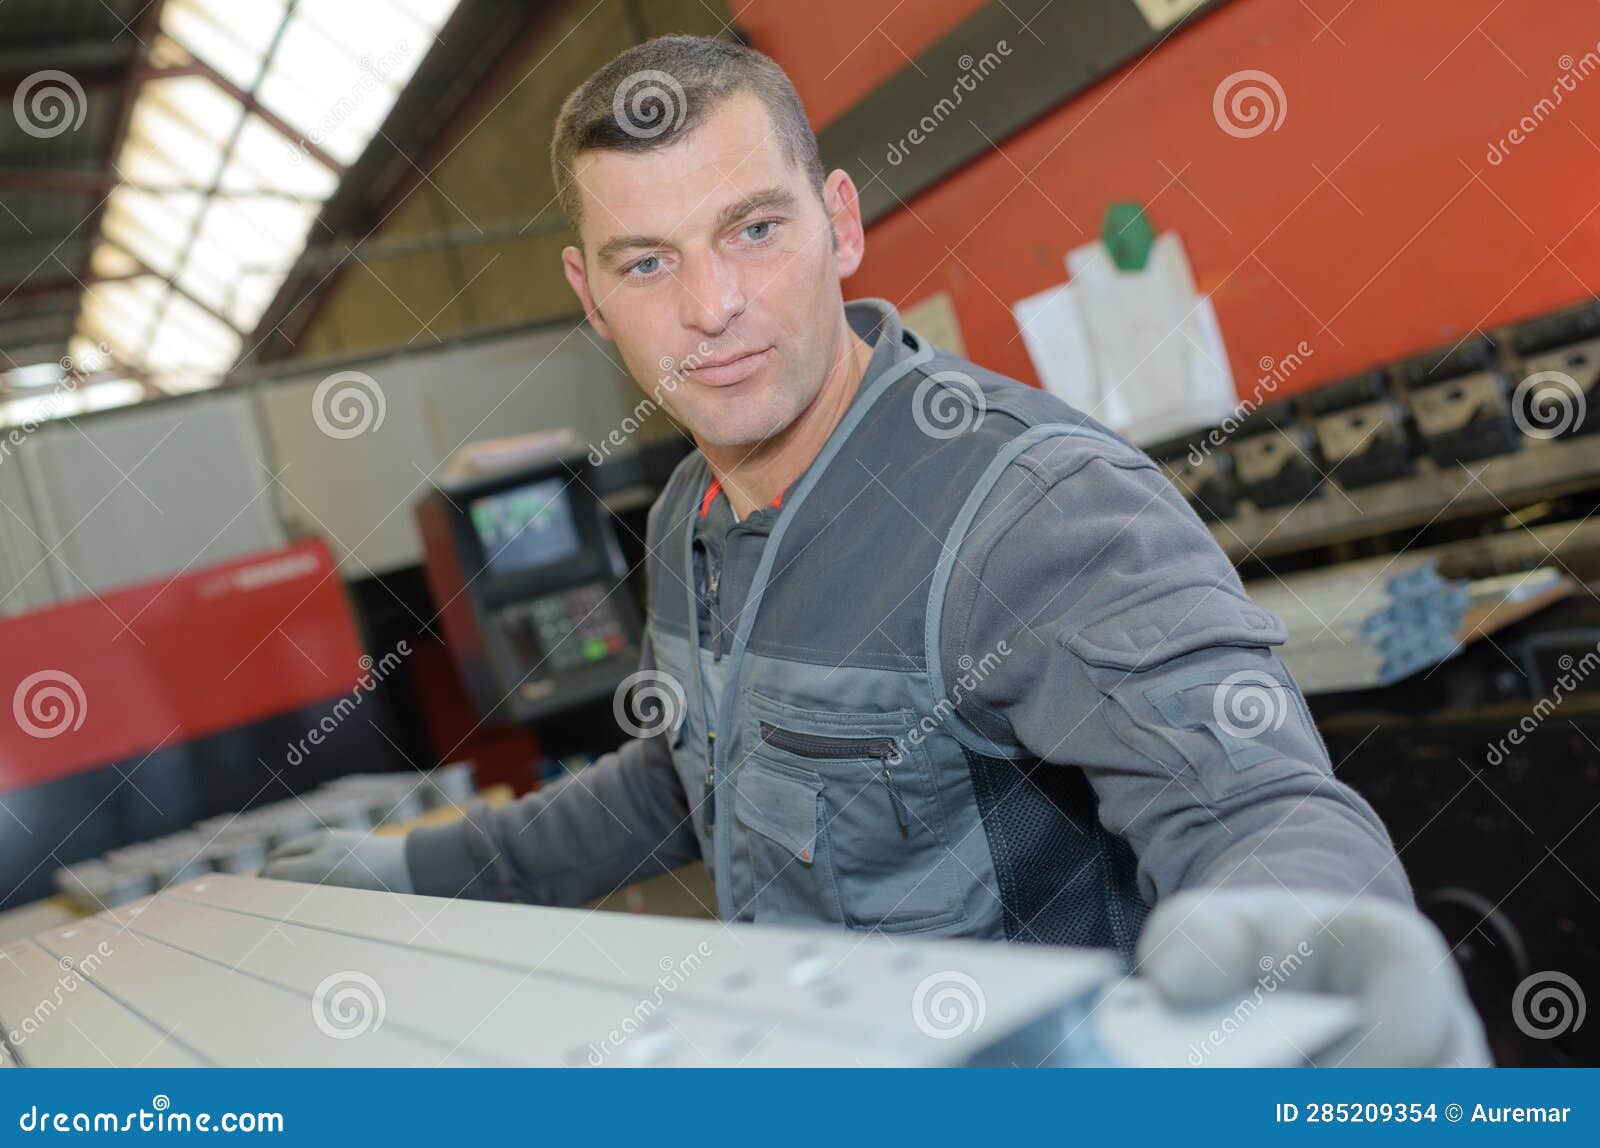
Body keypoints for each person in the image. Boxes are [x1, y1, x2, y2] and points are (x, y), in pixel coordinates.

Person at [265, 34, 1488, 1066]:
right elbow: (681, 775)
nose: (711, 307)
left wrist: (1306, 966)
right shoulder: (691, 511)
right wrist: (417, 870)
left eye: (752, 229)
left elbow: (1254, 807)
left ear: (839, 223)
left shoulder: (1031, 509)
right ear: (592, 299)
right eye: (650, 263)